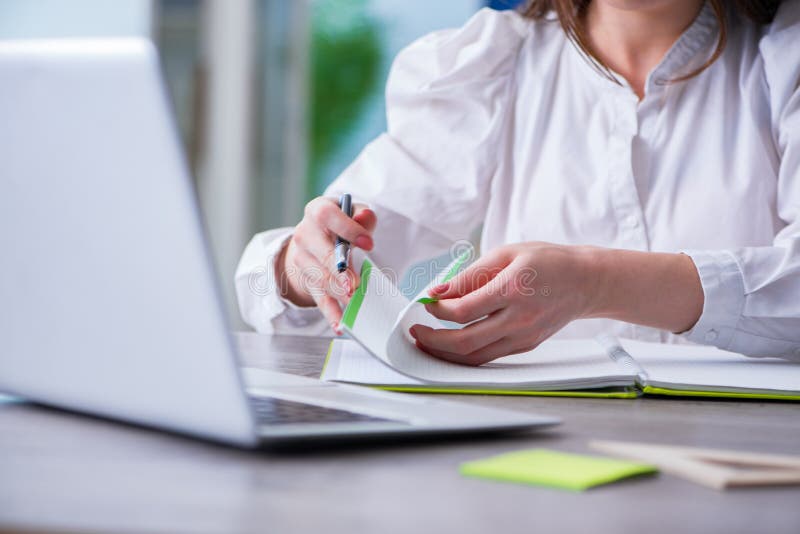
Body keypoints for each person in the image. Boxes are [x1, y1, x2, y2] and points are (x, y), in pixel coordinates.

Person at [236, 0, 800, 365]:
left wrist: (596, 281)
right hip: (540, 462)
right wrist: (294, 271)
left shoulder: (784, 59)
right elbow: (261, 294)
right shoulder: (490, 64)